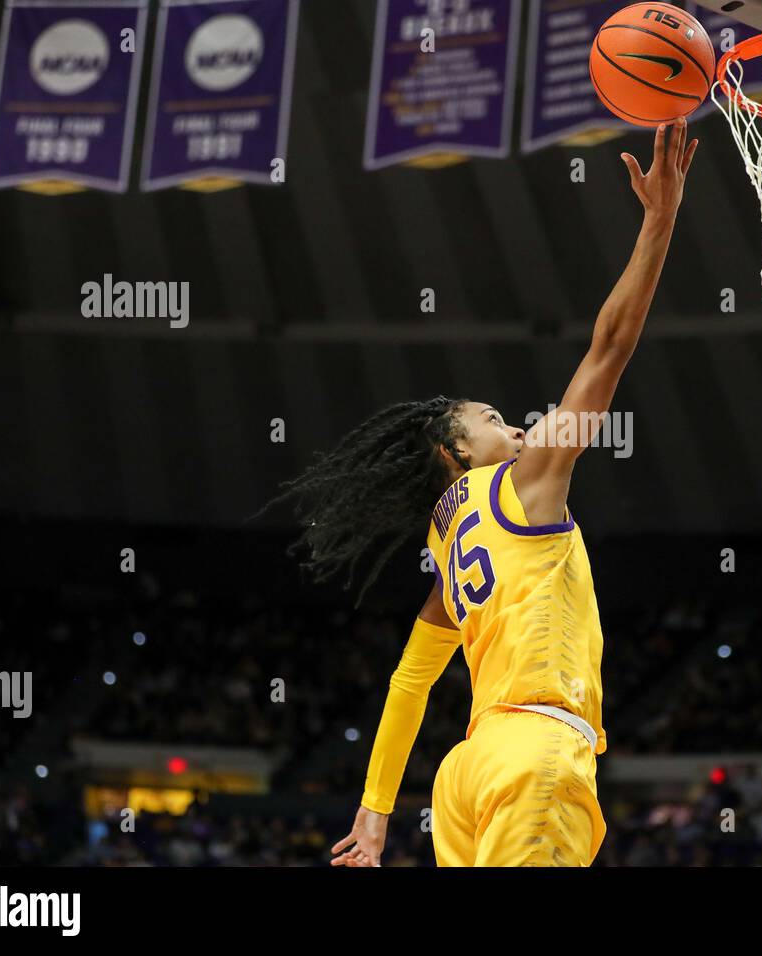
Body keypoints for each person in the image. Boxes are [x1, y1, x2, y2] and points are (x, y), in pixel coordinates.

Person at [270, 118, 698, 866]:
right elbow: (608, 349)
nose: (516, 425)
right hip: (534, 753)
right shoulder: (522, 482)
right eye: (495, 419)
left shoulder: (444, 540)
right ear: (458, 452)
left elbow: (410, 681)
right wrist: (659, 222)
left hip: (465, 776)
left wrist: (374, 814)